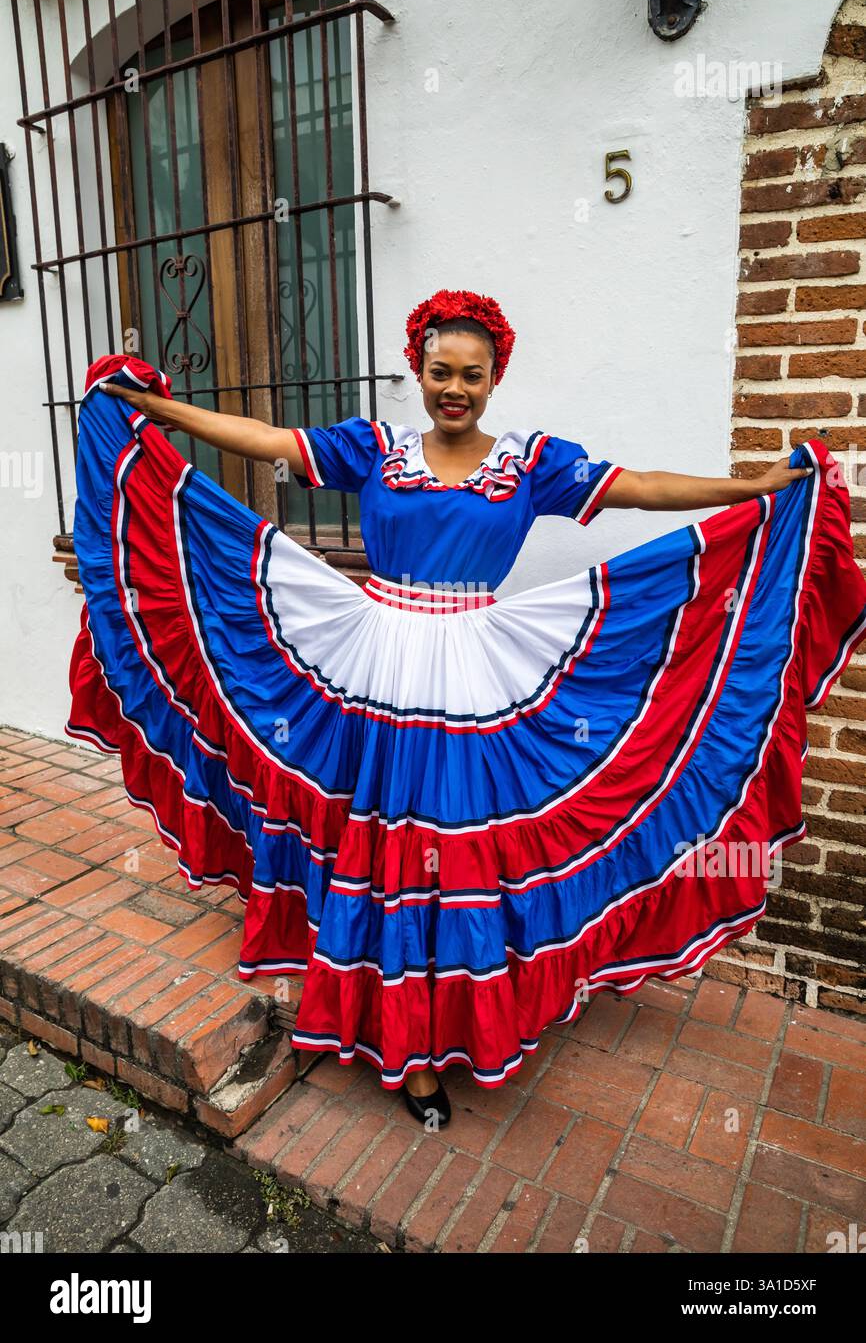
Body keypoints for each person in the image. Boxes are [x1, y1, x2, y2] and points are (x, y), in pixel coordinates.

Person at [76, 288, 866, 1130]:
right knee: (374, 839)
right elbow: (269, 441)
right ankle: (384, 1025)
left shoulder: (532, 464)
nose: (455, 388)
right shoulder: (373, 449)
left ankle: (434, 1035)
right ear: (416, 369)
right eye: (440, 371)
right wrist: (156, 408)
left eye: (473, 376)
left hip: (473, 670)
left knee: (448, 857)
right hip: (370, 659)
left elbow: (638, 486)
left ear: (496, 379)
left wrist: (754, 485)